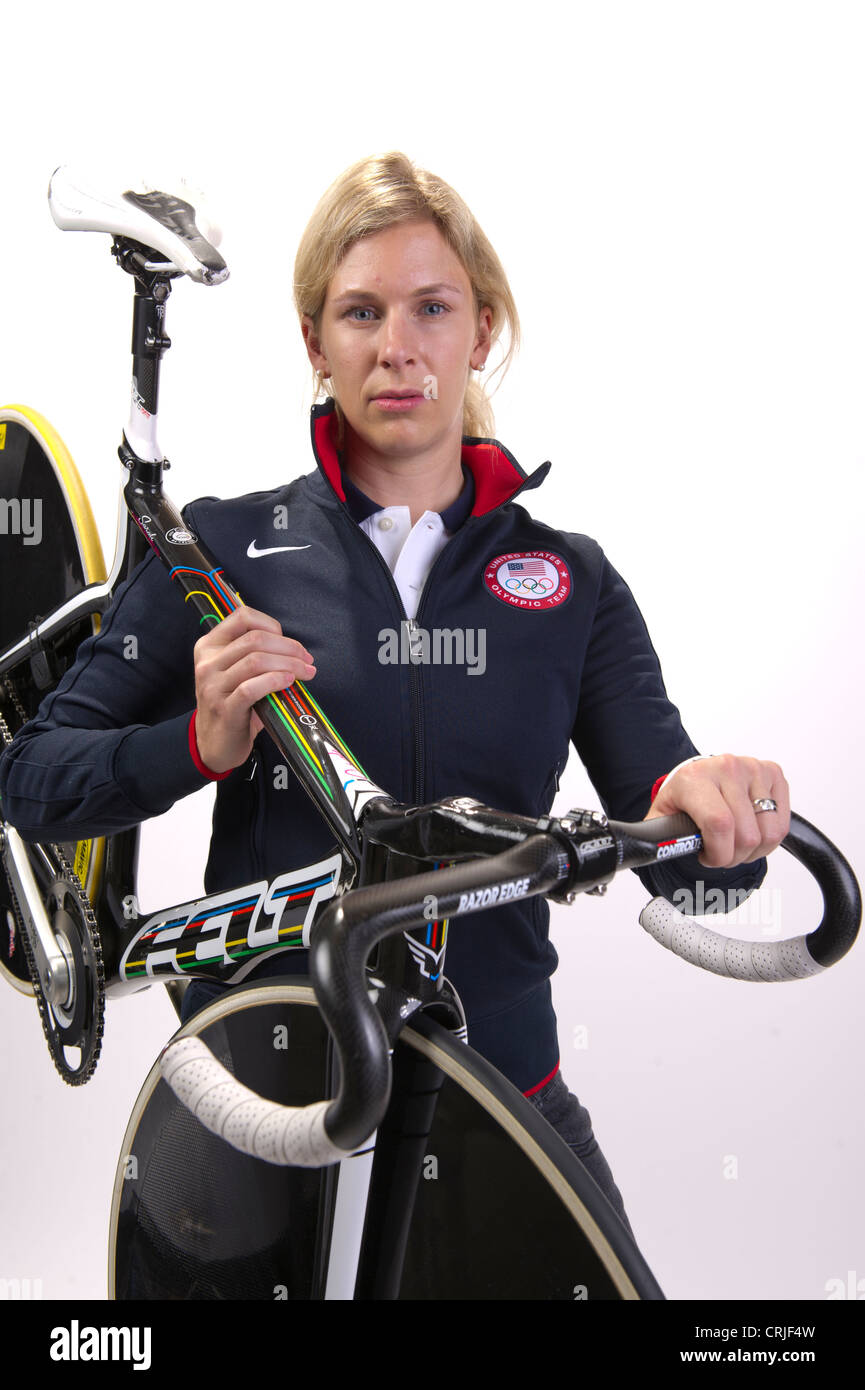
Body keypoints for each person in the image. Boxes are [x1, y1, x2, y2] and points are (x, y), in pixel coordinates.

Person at [0, 152, 789, 1239]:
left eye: (432, 307)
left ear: (484, 329)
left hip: (498, 1089)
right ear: (315, 344)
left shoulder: (572, 582)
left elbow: (686, 874)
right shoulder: (216, 553)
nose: (396, 345)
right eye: (358, 311)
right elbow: (32, 783)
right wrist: (198, 740)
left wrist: (720, 816)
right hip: (256, 1094)